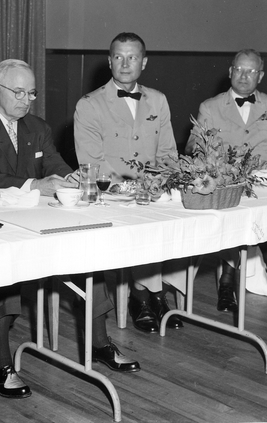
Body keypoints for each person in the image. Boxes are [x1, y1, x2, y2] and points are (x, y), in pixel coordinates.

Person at [0, 59, 140, 400]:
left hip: (33, 219)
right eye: (18, 92)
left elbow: (55, 165)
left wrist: (78, 181)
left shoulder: (37, 126)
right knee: (5, 260)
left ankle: (99, 342)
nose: (25, 100)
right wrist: (37, 184)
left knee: (89, 246)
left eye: (32, 92)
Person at [73, 32, 184, 333]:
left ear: (144, 62)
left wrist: (160, 183)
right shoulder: (90, 104)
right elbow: (93, 163)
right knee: (141, 220)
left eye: (132, 57)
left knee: (171, 218)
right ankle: (143, 295)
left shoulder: (158, 101)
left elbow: (168, 153)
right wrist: (133, 190)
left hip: (151, 191)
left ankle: (152, 293)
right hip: (109, 195)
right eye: (118, 57)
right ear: (109, 61)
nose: (125, 64)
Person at [189, 49, 267, 313]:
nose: (243, 76)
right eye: (239, 69)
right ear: (230, 72)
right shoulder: (210, 107)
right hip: (229, 181)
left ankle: (227, 280)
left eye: (251, 71)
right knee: (237, 205)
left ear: (260, 76)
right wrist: (208, 156)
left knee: (251, 205)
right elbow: (194, 144)